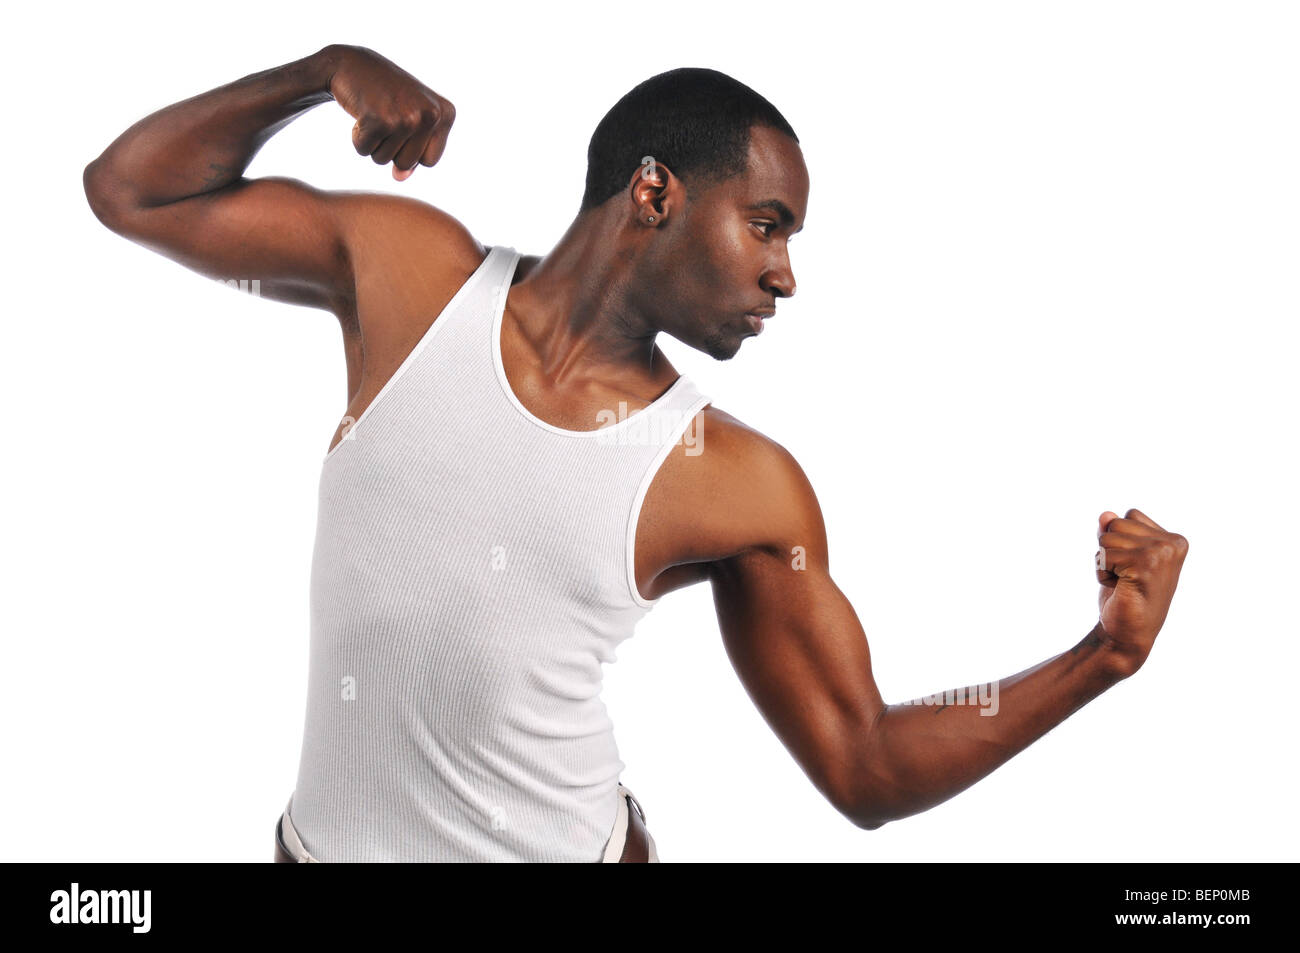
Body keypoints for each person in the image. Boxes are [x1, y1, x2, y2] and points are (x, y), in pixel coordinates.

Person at [83, 44, 1190, 863]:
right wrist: (318, 75)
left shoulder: (732, 480)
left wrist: (1102, 655)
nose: (786, 273)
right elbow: (130, 188)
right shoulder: (410, 276)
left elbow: (864, 763)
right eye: (767, 222)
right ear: (655, 191)